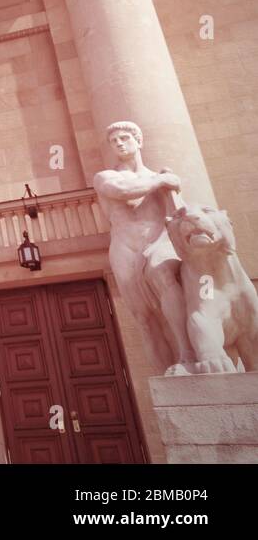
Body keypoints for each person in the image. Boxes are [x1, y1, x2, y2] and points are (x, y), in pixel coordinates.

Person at [92, 122, 192, 375]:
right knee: (144, 318)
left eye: (124, 138)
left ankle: (188, 353)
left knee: (165, 278)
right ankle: (165, 375)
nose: (119, 143)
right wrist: (162, 181)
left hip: (158, 239)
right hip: (125, 247)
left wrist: (171, 187)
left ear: (139, 141)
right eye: (114, 141)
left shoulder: (159, 177)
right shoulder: (107, 177)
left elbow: (180, 213)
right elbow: (122, 191)